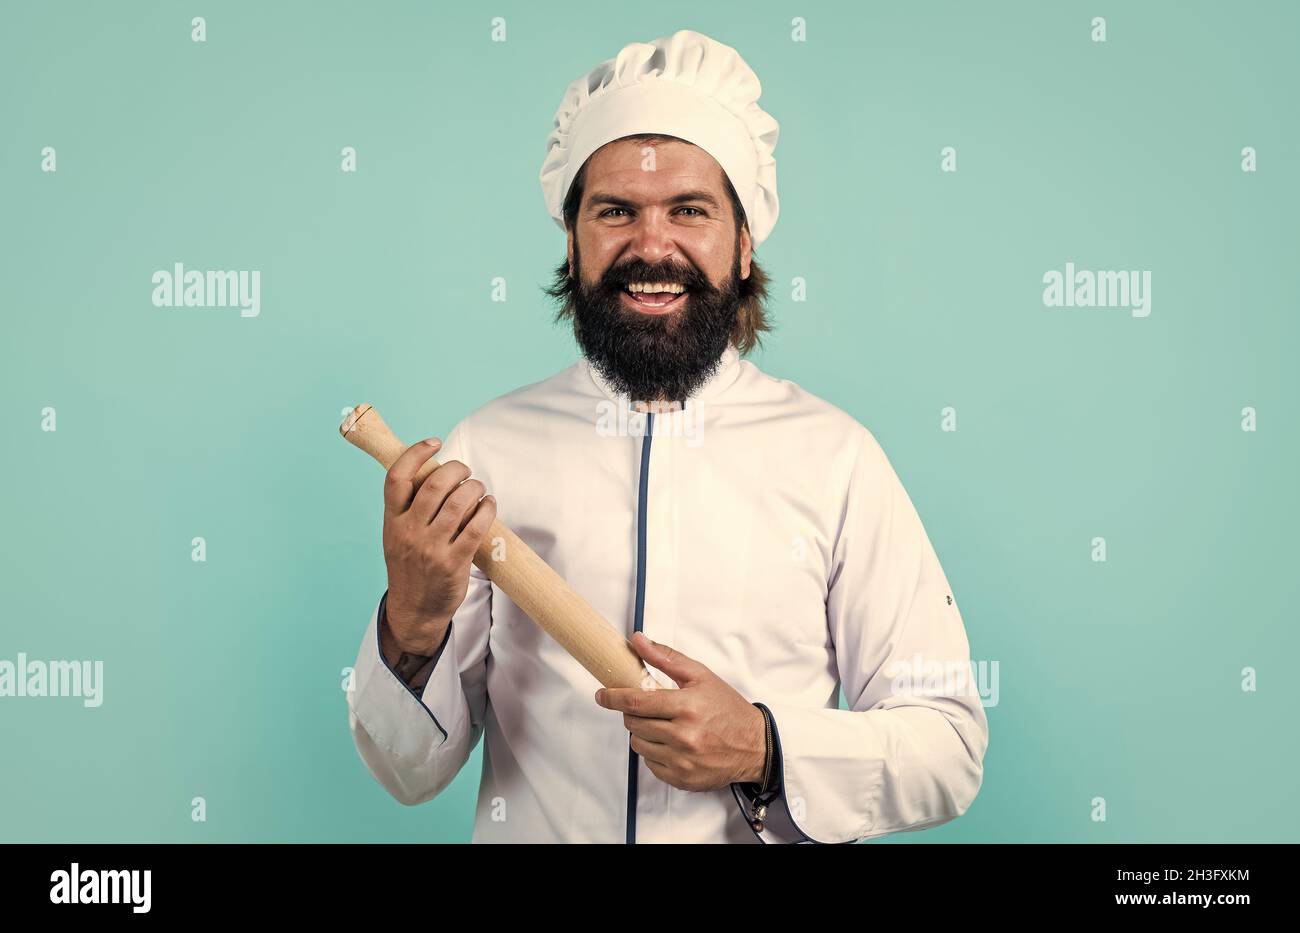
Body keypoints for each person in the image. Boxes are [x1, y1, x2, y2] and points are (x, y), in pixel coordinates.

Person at [347, 29, 988, 843]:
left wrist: (764, 745)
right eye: (616, 211)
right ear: (572, 242)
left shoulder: (836, 459)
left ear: (744, 243)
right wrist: (412, 622)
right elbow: (407, 773)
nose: (652, 246)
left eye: (689, 210)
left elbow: (948, 744)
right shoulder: (487, 449)